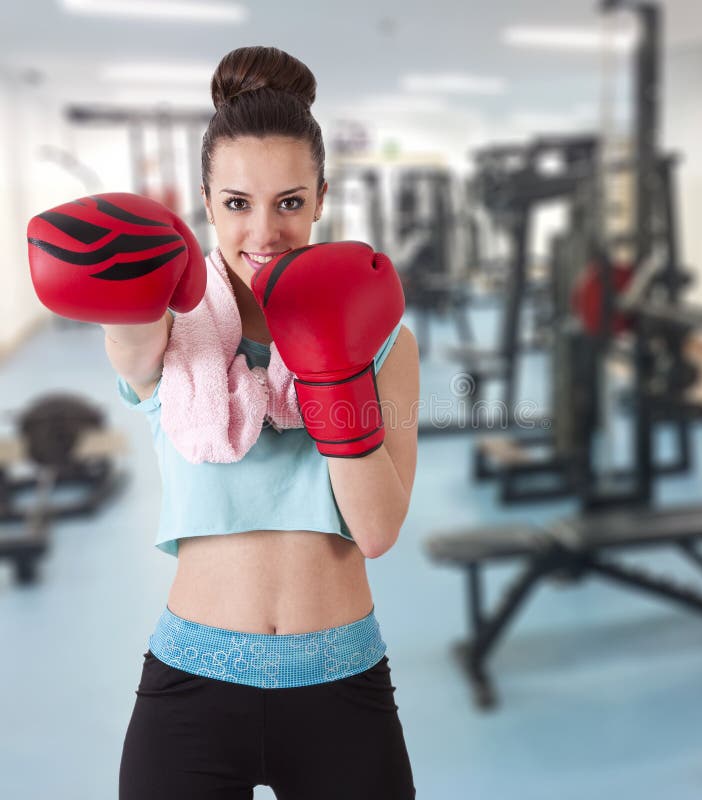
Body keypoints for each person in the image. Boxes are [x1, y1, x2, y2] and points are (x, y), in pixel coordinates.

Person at [28, 46, 418, 799]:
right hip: (192, 688)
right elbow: (133, 337)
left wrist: (334, 364)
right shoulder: (169, 331)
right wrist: (130, 263)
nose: (265, 232)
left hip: (342, 686)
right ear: (206, 203)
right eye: (238, 203)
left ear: (322, 198)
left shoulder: (384, 339)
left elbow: (375, 529)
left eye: (290, 203)